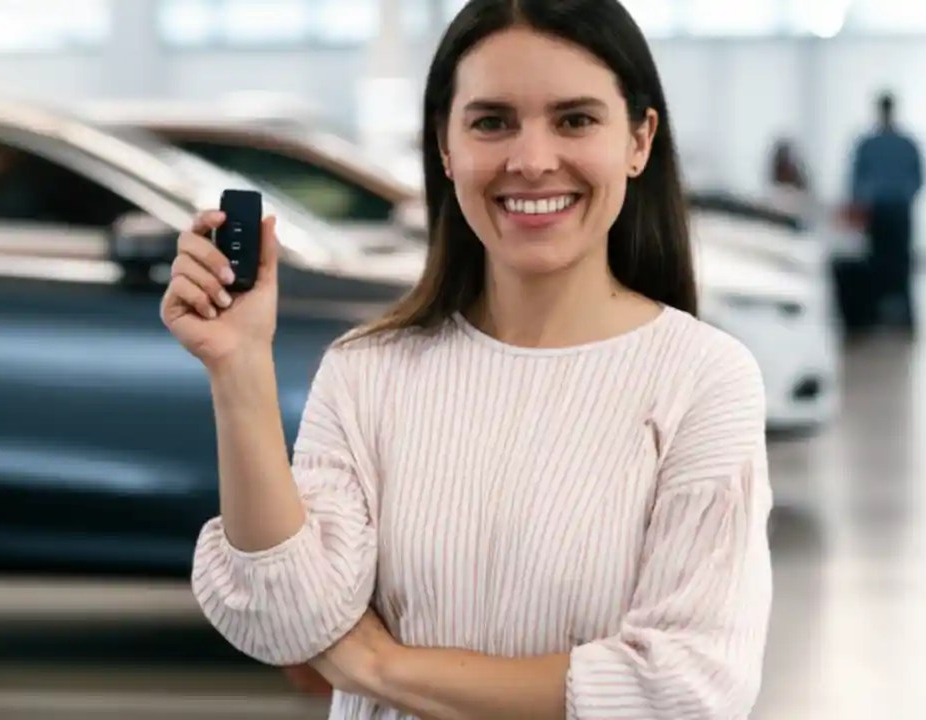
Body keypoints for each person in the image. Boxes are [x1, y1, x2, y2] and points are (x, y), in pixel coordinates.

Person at [161, 0, 772, 717]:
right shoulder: (368, 371)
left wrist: (382, 666)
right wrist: (239, 370)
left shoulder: (702, 379)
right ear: (445, 147)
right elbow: (287, 617)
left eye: (575, 119)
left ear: (639, 140)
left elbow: (682, 687)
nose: (533, 160)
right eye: (492, 122)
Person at [848, 91, 924, 335]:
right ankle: (890, 318)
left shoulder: (875, 144)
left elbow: (857, 181)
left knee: (894, 264)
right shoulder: (899, 143)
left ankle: (894, 318)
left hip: (889, 209)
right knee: (886, 264)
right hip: (888, 210)